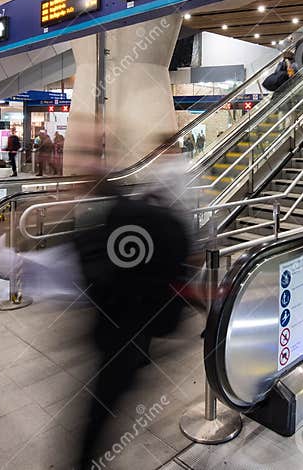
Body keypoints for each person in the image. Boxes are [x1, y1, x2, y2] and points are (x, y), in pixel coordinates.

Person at [73, 148, 190, 470]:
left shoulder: (99, 222)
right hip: (137, 319)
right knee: (110, 394)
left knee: (102, 403)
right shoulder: (135, 213)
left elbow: (95, 278)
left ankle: (85, 460)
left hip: (119, 325)